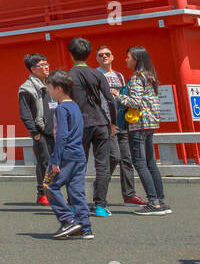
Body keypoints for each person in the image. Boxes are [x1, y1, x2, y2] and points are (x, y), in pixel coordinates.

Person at [116, 46, 172, 215]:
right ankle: (161, 200)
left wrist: (117, 94)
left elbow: (134, 102)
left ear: (136, 59)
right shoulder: (150, 76)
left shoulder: (136, 78)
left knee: (140, 162)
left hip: (138, 123)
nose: (126, 60)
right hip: (151, 122)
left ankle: (153, 202)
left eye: (128, 57)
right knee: (151, 162)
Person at [67, 37, 118, 218]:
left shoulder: (68, 76)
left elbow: (65, 104)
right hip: (101, 123)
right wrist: (113, 122)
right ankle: (100, 205)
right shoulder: (98, 75)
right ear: (89, 54)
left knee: (76, 165)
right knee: (102, 165)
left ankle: (75, 205)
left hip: (79, 125)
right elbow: (110, 100)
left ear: (71, 54)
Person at [44, 70, 92, 239]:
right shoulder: (75, 106)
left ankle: (68, 220)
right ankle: (84, 227)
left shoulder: (61, 108)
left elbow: (62, 135)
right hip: (78, 153)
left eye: (49, 87)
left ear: (58, 89)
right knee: (76, 190)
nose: (48, 91)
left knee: (49, 184)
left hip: (65, 155)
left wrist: (56, 159)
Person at [96, 45, 143, 206]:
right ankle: (99, 187)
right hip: (107, 122)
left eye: (107, 54)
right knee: (114, 157)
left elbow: (125, 95)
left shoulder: (119, 75)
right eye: (101, 55)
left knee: (126, 159)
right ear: (97, 58)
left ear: (112, 57)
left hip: (122, 120)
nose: (104, 57)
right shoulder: (95, 75)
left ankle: (129, 194)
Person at [17, 53, 54, 205]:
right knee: (44, 162)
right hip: (40, 131)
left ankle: (52, 192)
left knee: (55, 163)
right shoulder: (26, 88)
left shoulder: (50, 84)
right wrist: (35, 133)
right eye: (42, 65)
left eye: (47, 64)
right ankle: (42, 194)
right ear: (33, 69)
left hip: (54, 130)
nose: (46, 67)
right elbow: (25, 113)